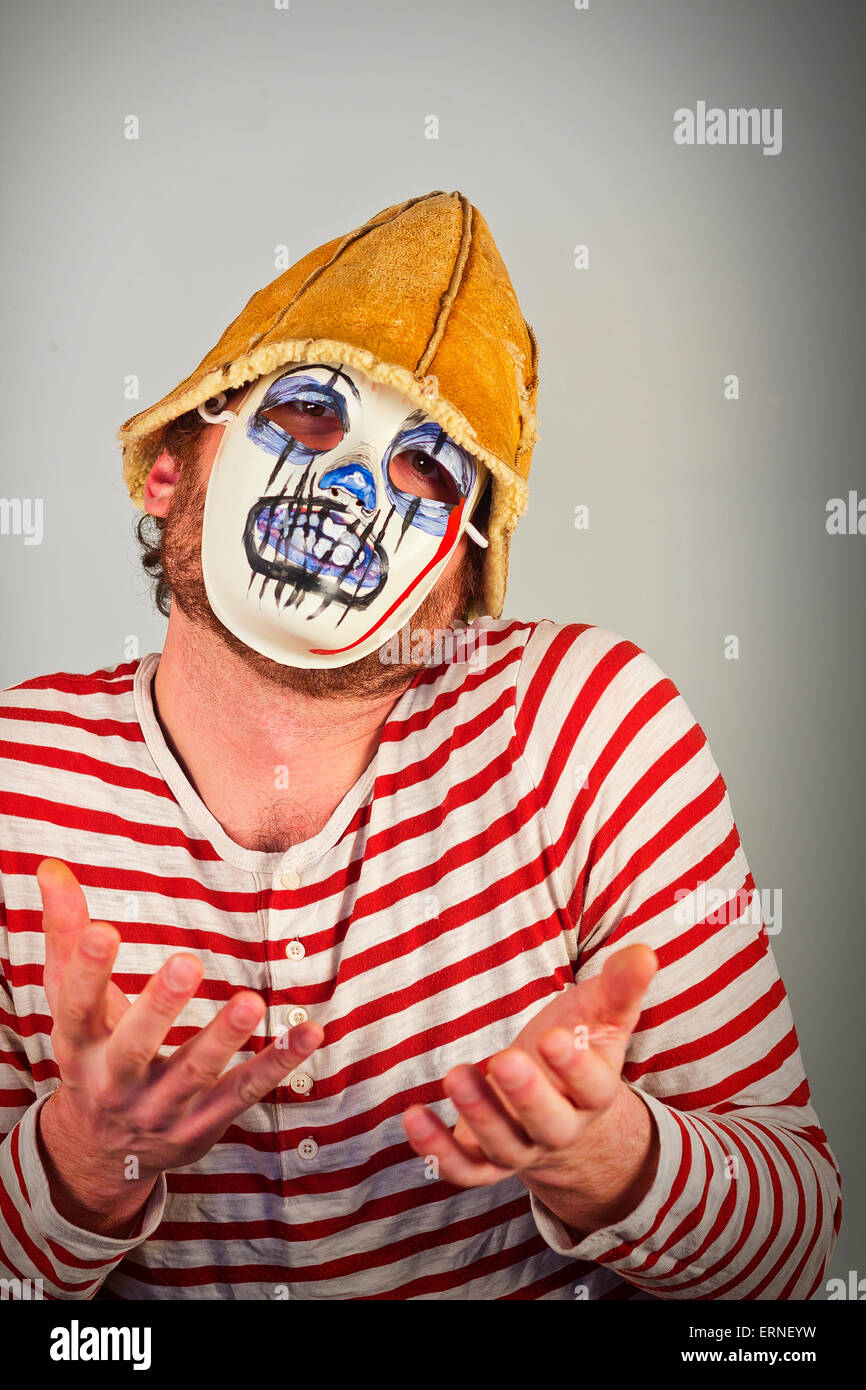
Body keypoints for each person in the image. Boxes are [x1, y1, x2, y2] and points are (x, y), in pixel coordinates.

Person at [0, 190, 840, 1300]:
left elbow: (793, 1255)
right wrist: (75, 1167)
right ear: (169, 469)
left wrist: (607, 1159)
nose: (352, 486)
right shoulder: (16, 777)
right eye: (306, 415)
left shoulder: (584, 726)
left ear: (462, 584)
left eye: (429, 472)